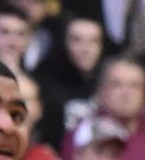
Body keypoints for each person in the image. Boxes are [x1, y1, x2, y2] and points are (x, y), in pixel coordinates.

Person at [35, 16, 106, 148]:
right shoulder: (42, 84)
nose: (86, 49)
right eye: (77, 40)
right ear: (63, 42)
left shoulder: (109, 83)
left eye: (94, 41)